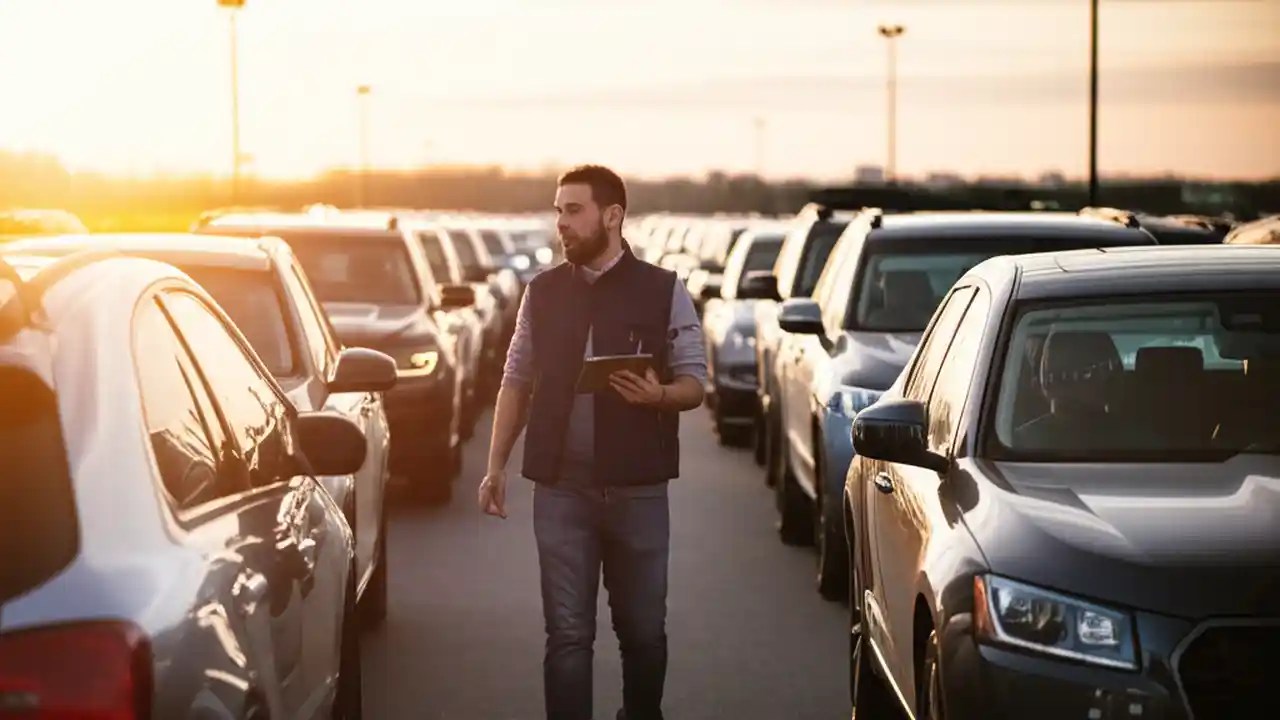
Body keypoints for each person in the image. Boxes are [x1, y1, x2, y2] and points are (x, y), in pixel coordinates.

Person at [478, 165, 707, 720]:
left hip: (638, 491)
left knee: (644, 634)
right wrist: (496, 466)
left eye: (573, 210)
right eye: (557, 210)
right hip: (561, 491)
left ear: (612, 216)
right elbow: (515, 378)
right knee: (568, 636)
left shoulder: (663, 289)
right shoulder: (542, 292)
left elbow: (694, 383)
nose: (561, 223)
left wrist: (658, 396)